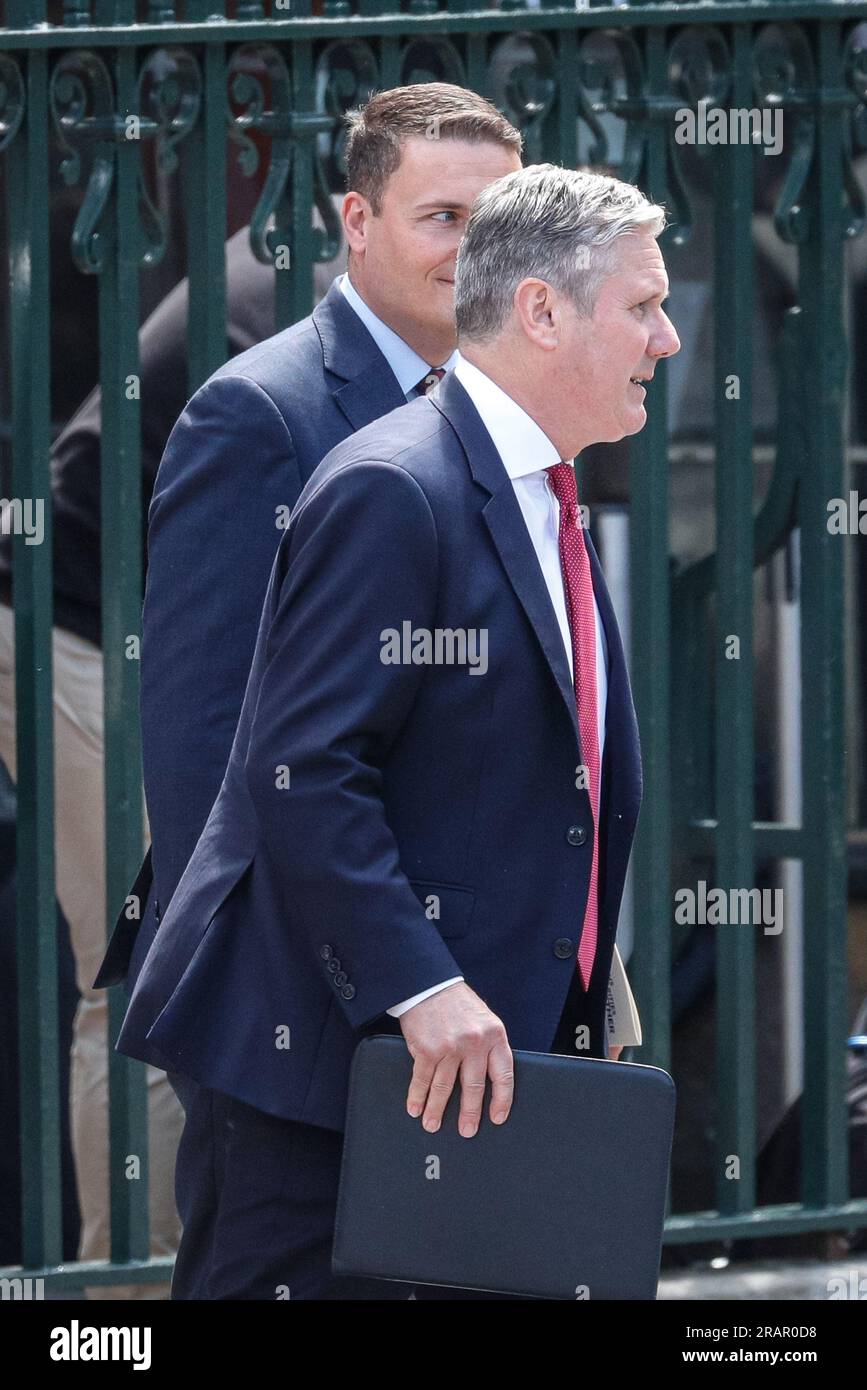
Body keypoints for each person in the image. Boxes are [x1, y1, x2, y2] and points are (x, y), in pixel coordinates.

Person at [112, 163, 680, 1300]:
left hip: (475, 1074)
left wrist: (581, 987)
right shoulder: (394, 486)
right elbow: (303, 769)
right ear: (541, 311)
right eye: (643, 306)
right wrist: (419, 987)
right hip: (329, 1084)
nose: (667, 339)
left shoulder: (544, 489)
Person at [96, 82, 523, 1000]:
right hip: (303, 985)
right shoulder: (259, 413)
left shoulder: (488, 400)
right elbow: (207, 733)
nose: (477, 253)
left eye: (498, 222)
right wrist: (257, 976)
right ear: (358, 221)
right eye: (444, 217)